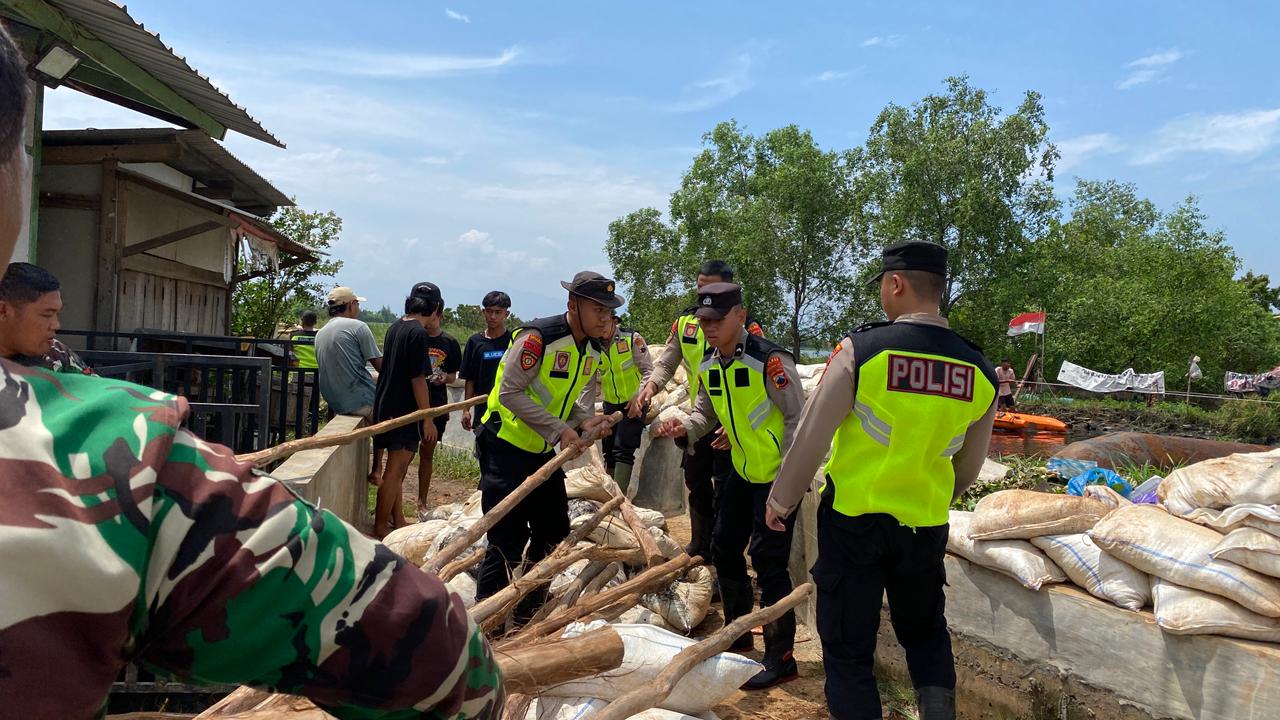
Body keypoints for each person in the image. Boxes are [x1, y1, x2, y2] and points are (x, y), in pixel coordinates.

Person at [0, 23, 502, 719]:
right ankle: (396, 521)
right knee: (395, 475)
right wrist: (436, 415)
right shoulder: (103, 455)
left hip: (358, 410)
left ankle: (395, 517)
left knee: (389, 478)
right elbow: (445, 661)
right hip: (387, 417)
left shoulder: (326, 330)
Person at [764, 241, 997, 720]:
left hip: (855, 526)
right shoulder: (979, 369)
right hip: (925, 526)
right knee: (926, 636)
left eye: (882, 288)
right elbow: (969, 468)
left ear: (896, 283)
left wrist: (781, 503)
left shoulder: (863, 350)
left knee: (849, 648)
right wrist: (930, 496)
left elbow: (812, 436)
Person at [653, 282, 804, 690]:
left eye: (717, 319)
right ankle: (738, 632)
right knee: (722, 545)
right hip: (740, 469)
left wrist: (788, 484)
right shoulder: (708, 363)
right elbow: (704, 412)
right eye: (703, 321)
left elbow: (798, 421)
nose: (709, 327)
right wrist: (682, 425)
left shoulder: (768, 360)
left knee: (769, 563)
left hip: (775, 476)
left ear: (740, 315)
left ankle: (781, 656)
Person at [474, 271, 618, 615]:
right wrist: (559, 431)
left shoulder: (591, 349)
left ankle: (527, 610)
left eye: (608, 310)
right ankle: (483, 624)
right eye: (597, 308)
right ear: (572, 305)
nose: (605, 317)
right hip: (504, 446)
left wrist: (584, 421)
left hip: (539, 451)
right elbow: (510, 393)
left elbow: (568, 401)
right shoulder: (539, 338)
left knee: (554, 530)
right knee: (506, 539)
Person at [631, 259, 766, 558]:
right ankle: (699, 545)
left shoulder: (747, 327)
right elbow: (667, 362)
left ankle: (724, 556)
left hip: (734, 422)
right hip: (700, 416)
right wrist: (650, 387)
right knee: (696, 481)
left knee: (727, 489)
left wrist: (738, 426)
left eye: (714, 289)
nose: (705, 297)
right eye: (701, 289)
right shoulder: (686, 324)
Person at [371, 282, 441, 538]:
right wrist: (427, 418)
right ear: (434, 309)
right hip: (403, 409)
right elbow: (418, 379)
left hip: (385, 403)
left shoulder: (395, 327)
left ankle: (397, 519)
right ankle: (380, 527)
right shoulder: (418, 333)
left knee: (395, 468)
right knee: (396, 470)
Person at [315, 286, 384, 485]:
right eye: (358, 304)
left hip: (335, 401)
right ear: (351, 305)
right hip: (359, 400)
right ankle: (377, 468)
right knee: (391, 424)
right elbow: (381, 367)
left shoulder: (322, 332)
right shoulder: (358, 327)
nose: (359, 308)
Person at [417, 283, 462, 515]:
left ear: (439, 315)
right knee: (403, 457)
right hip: (411, 404)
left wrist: (444, 378)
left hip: (436, 403)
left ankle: (421, 502)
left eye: (432, 314)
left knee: (427, 452)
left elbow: (455, 374)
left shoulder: (450, 343)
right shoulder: (414, 337)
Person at [0, 262, 91, 374]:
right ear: (3, 311)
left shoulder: (57, 354)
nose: (56, 325)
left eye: (57, 314)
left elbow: (98, 389)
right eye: (47, 315)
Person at [598, 312, 652, 491]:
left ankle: (619, 500)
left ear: (614, 321)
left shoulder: (632, 339)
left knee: (623, 448)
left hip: (635, 401)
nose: (601, 327)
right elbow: (588, 383)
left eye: (604, 321)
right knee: (609, 449)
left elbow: (648, 371)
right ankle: (609, 494)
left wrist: (640, 396)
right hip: (611, 404)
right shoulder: (594, 345)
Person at [460, 291, 514, 436]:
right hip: (482, 407)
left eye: (498, 312)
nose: (493, 316)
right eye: (489, 311)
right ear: (483, 312)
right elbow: (470, 379)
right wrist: (466, 409)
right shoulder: (474, 342)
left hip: (508, 407)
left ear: (506, 314)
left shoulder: (514, 341)